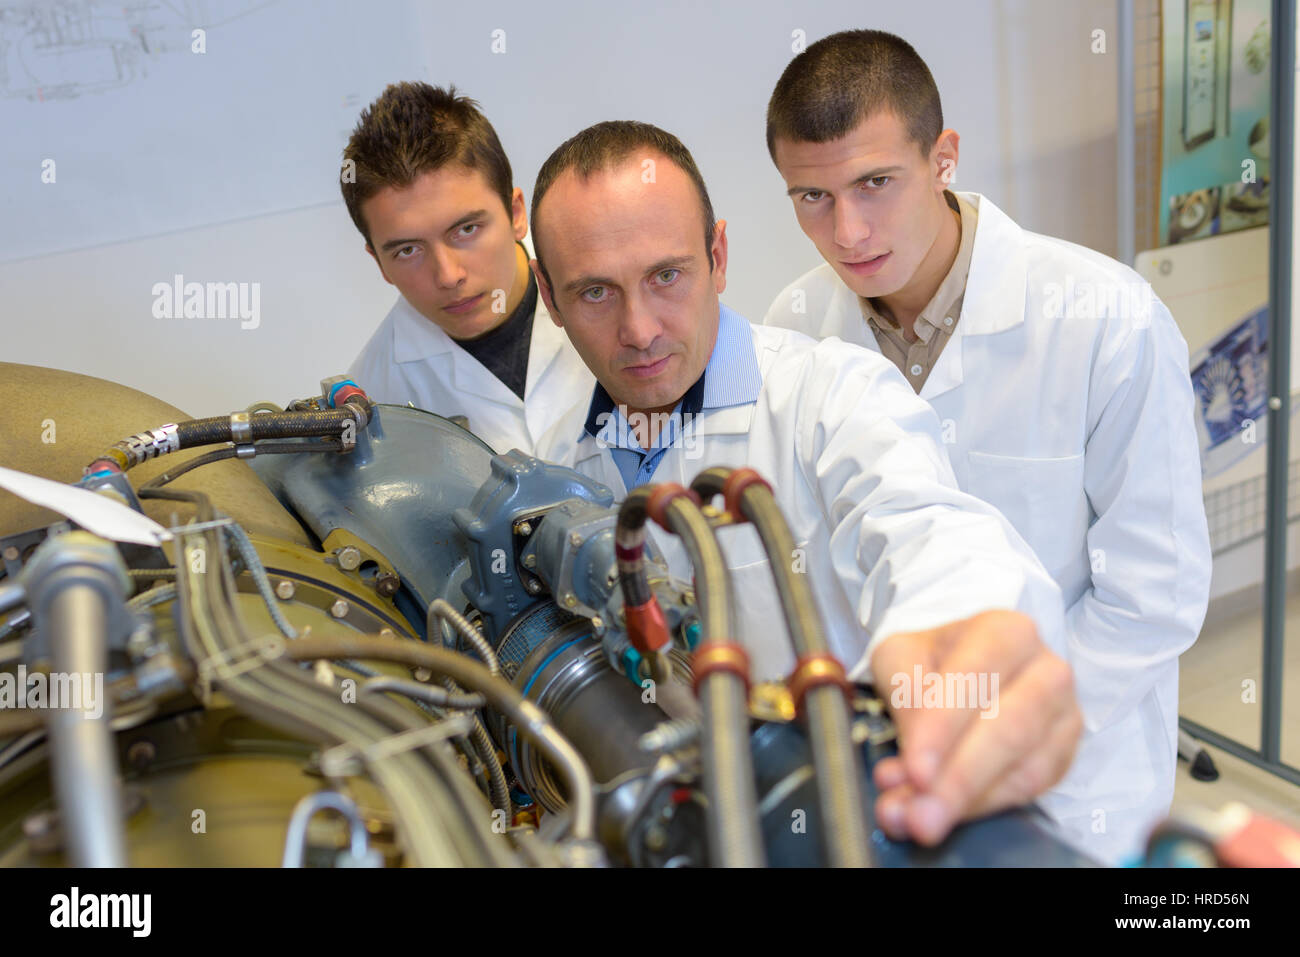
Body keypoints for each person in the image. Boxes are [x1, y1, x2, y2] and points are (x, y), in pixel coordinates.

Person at [528, 119, 1083, 851]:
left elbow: (927, 530)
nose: (639, 329)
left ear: (717, 255)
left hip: (849, 815)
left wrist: (960, 633)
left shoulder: (834, 399)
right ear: (547, 292)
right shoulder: (558, 455)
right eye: (595, 292)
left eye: (667, 275)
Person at [761, 29, 1212, 864]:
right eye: (810, 198)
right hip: (890, 770)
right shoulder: (793, 326)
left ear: (943, 158)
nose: (847, 231)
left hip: (1078, 780)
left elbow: (1154, 592)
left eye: (875, 182)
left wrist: (1005, 722)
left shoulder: (1106, 319)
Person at [341, 82, 593, 455]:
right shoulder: (371, 395)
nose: (448, 275)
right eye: (408, 250)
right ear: (379, 263)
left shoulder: (615, 298)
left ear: (516, 214)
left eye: (466, 230)